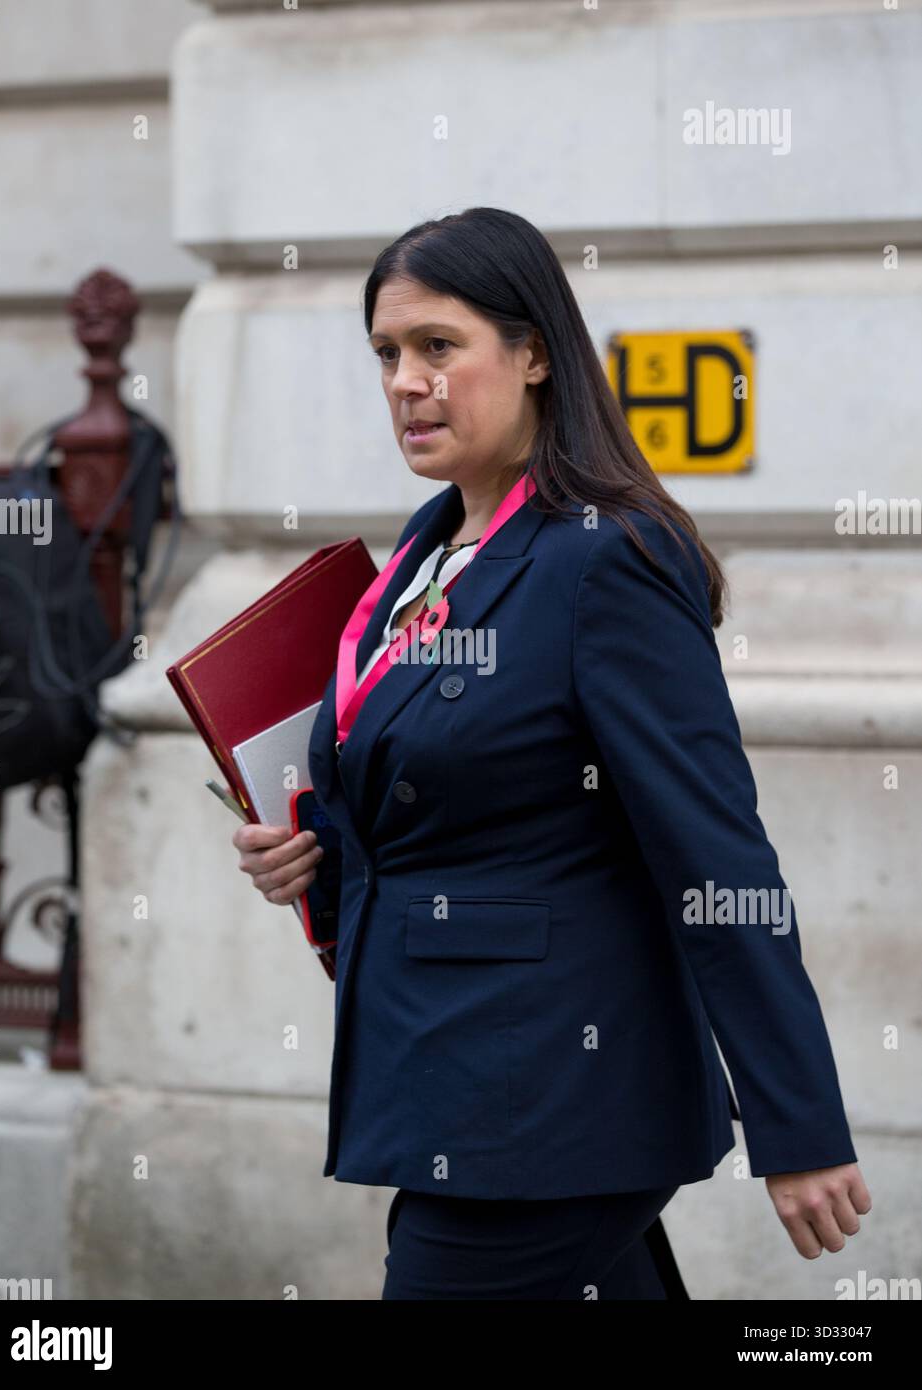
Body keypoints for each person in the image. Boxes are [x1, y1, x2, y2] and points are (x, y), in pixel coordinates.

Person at [233, 207, 871, 1300]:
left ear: (533, 354)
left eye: (440, 346)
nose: (404, 380)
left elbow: (716, 852)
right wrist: (316, 861)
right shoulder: (421, 562)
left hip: (543, 1105)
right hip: (443, 1077)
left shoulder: (605, 560)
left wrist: (796, 1114)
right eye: (386, 353)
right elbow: (464, 821)